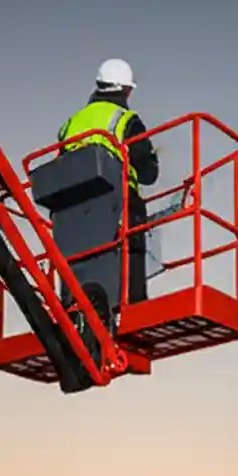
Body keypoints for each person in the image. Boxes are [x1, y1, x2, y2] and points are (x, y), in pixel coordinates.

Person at [56, 58, 159, 305]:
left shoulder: (71, 123)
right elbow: (148, 173)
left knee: (79, 261)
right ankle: (132, 303)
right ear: (126, 89)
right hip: (119, 206)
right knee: (130, 244)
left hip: (72, 215)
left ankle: (73, 307)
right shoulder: (125, 119)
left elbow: (60, 167)